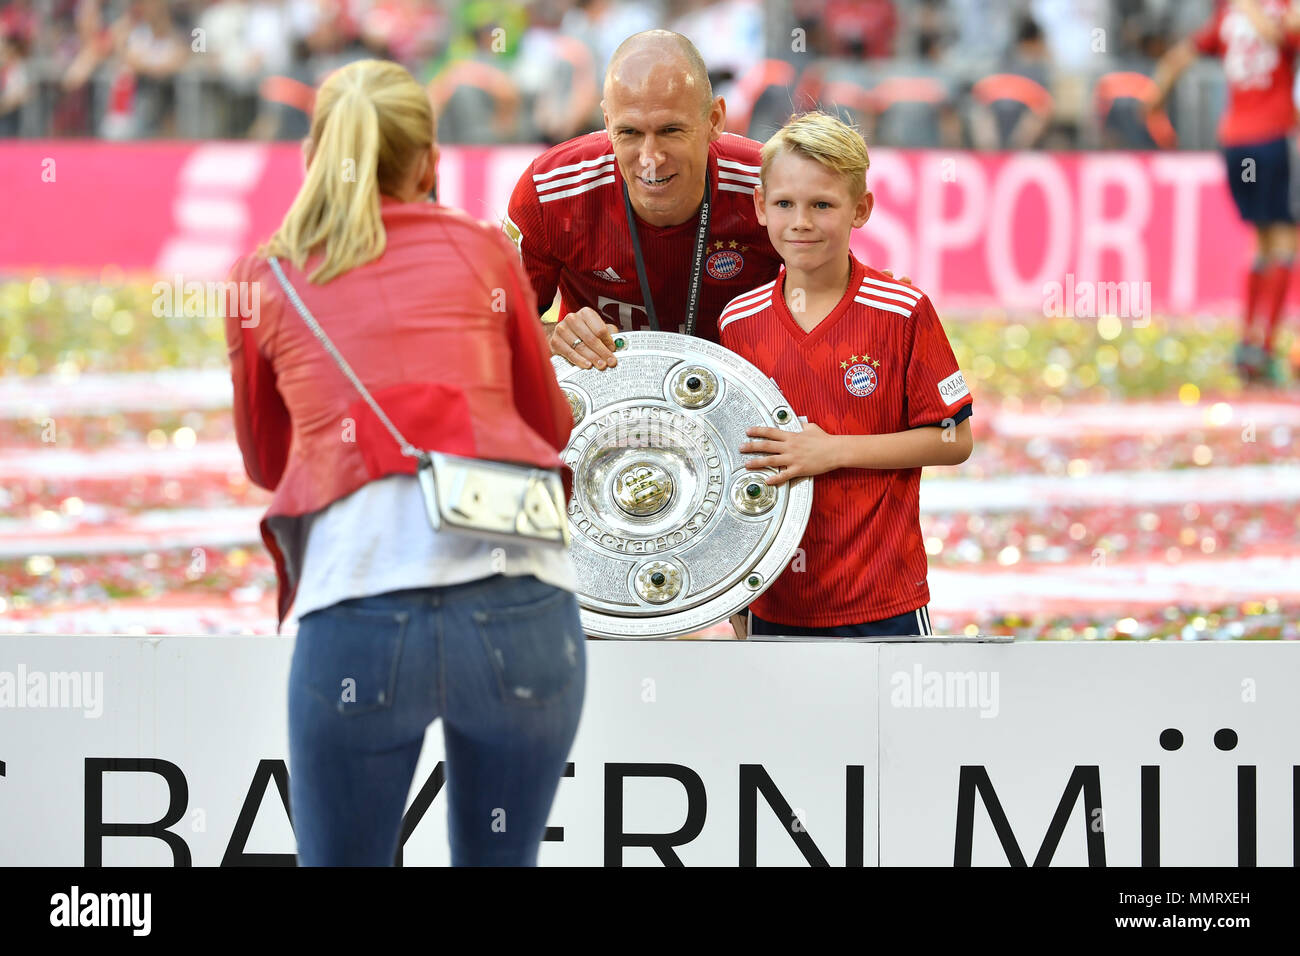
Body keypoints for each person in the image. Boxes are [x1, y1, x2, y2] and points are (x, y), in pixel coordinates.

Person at [224, 59, 584, 866]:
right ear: (430, 162)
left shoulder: (266, 277)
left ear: (315, 149)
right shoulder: (484, 252)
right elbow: (546, 424)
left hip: (361, 602)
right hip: (520, 600)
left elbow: (267, 459)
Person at [717, 111, 974, 638]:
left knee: (890, 725)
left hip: (884, 601)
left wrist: (833, 451)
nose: (801, 222)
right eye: (785, 203)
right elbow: (735, 462)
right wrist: (737, 603)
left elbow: (955, 439)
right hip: (773, 602)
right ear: (761, 208)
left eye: (822, 205)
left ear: (861, 210)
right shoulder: (737, 323)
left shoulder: (901, 311)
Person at [503, 29, 783, 370]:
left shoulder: (771, 185)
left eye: (670, 131)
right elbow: (492, 326)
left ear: (714, 120)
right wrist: (551, 337)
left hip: (738, 406)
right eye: (630, 133)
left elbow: (838, 305)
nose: (650, 158)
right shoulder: (550, 190)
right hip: (604, 403)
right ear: (607, 123)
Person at [1150, 0, 1299, 384]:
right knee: (1283, 239)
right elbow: (1283, 34)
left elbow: (1183, 54)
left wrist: (1156, 97)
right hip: (1272, 136)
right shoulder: (1278, 9)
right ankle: (1263, 347)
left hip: (1234, 141)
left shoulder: (1228, 13)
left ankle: (1247, 343)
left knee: (1261, 240)